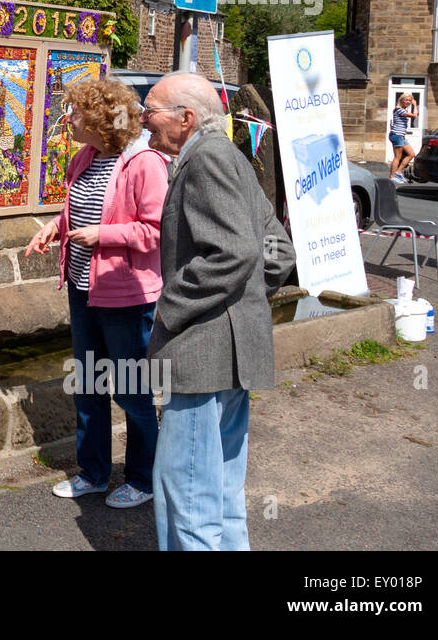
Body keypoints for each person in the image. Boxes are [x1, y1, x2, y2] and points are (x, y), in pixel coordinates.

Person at [140, 72, 294, 550]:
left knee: (188, 497)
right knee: (222, 493)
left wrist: (170, 308)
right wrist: (245, 302)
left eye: (151, 110)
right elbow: (277, 250)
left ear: (186, 119)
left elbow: (232, 253)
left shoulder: (205, 158)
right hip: (235, 348)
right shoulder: (230, 155)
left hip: (203, 352)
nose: (143, 120)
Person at [25, 77, 170, 509]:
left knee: (130, 390)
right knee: (88, 384)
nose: (67, 119)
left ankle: (143, 480)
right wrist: (57, 226)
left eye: (75, 112)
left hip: (126, 295)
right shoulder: (85, 157)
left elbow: (155, 231)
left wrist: (102, 235)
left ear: (101, 119)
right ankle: (94, 474)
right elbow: (77, 207)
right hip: (83, 288)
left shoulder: (145, 163)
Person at [388, 93, 419, 183]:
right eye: (406, 100)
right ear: (401, 100)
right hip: (397, 135)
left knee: (411, 154)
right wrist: (415, 105)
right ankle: (392, 177)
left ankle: (399, 171)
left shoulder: (402, 110)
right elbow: (415, 115)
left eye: (410, 100)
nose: (408, 102)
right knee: (397, 157)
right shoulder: (399, 110)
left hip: (400, 135)